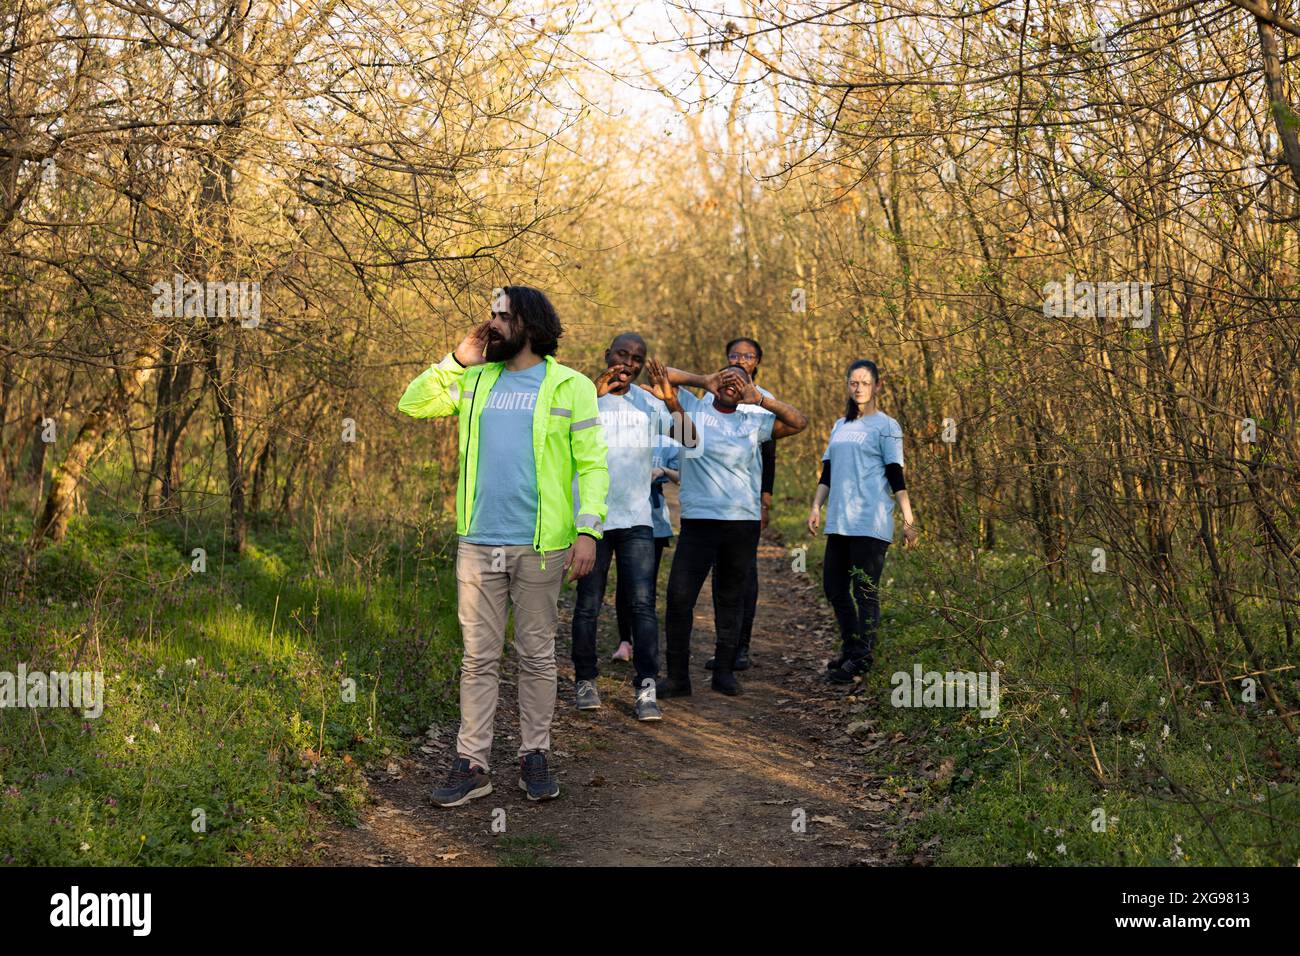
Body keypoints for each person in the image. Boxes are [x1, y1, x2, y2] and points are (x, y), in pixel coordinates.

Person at [397, 286, 608, 806]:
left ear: (529, 324)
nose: (490, 322)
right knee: (477, 658)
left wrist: (588, 529)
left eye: (501, 315)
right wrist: (457, 358)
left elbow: (593, 464)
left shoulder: (571, 386)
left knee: (536, 655)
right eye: (489, 313)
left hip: (540, 543)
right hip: (478, 541)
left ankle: (534, 753)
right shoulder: (476, 379)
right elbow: (413, 403)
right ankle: (472, 762)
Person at [658, 365, 807, 697]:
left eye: (740, 382)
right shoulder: (693, 405)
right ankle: (678, 677)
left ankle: (724, 672)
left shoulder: (754, 419)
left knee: (730, 597)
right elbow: (660, 375)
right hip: (699, 521)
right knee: (679, 597)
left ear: (748, 388)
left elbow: (799, 422)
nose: (731, 385)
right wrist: (702, 380)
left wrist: (762, 400)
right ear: (715, 381)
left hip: (741, 522)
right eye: (725, 378)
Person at [570, 334, 695, 721]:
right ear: (607, 355)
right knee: (588, 604)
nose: (628, 362)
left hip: (638, 519)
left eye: (636, 357)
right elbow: (553, 441)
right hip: (591, 521)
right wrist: (592, 392)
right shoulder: (583, 396)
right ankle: (586, 680)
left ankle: (645, 688)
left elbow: (691, 440)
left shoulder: (648, 403)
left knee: (642, 605)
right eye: (621, 354)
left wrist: (670, 398)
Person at [807, 359, 918, 684]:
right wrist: (816, 506)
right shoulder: (839, 425)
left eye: (866, 382)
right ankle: (852, 647)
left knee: (864, 590)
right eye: (854, 382)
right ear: (847, 385)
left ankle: (863, 656)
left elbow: (895, 474)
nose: (859, 388)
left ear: (877, 386)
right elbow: (827, 471)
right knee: (834, 588)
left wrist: (909, 520)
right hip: (839, 521)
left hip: (870, 521)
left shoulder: (886, 426)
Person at [704, 337, 774, 673]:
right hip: (714, 505)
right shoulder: (711, 395)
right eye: (734, 354)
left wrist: (766, 499)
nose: (741, 359)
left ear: (757, 361)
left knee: (745, 576)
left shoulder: (764, 400)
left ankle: (741, 647)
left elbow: (770, 452)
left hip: (747, 504)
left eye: (748, 356)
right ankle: (723, 647)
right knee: (721, 578)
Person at [612, 431, 679, 663]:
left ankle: (645, 646)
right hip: (624, 521)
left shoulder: (668, 444)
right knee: (624, 581)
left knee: (645, 586)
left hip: (655, 524)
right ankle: (624, 641)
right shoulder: (621, 437)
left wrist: (662, 471)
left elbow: (685, 475)